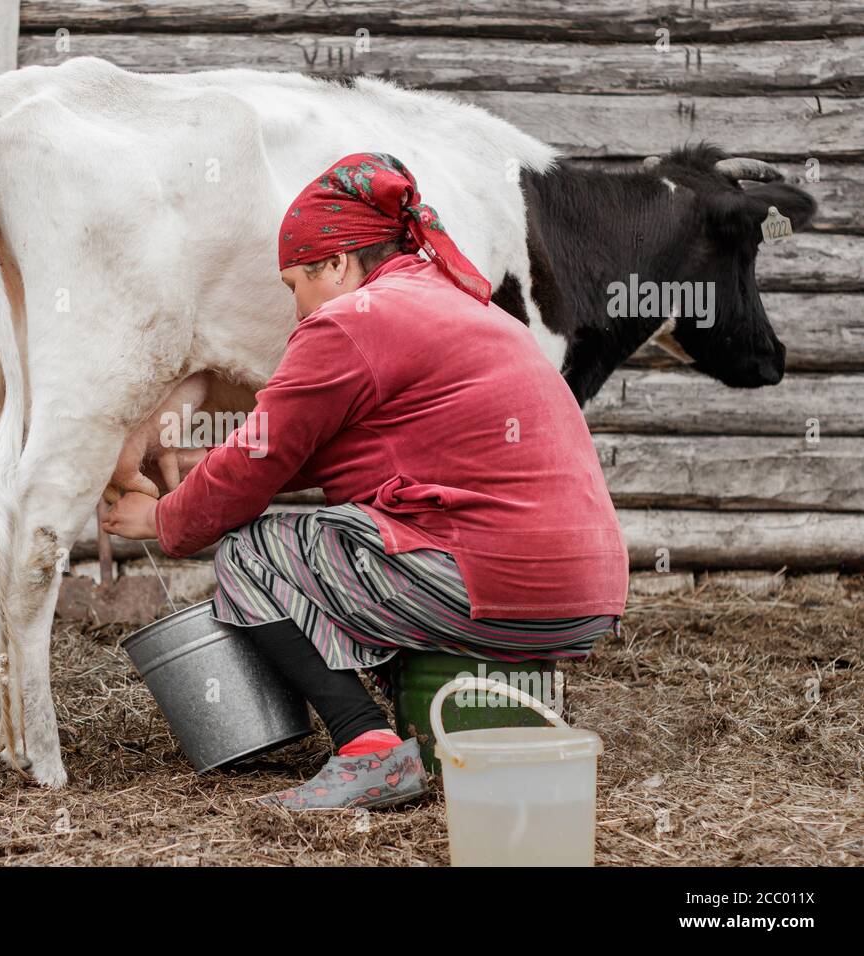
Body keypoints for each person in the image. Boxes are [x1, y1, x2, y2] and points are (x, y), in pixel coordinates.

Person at [102, 152, 628, 810]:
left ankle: (366, 748)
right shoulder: (474, 311)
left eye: (296, 282)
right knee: (345, 541)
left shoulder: (351, 323)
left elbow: (253, 468)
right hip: (585, 596)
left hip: (491, 578)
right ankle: (425, 715)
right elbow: (303, 455)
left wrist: (163, 518)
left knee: (253, 551)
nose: (296, 308)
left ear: (338, 264)